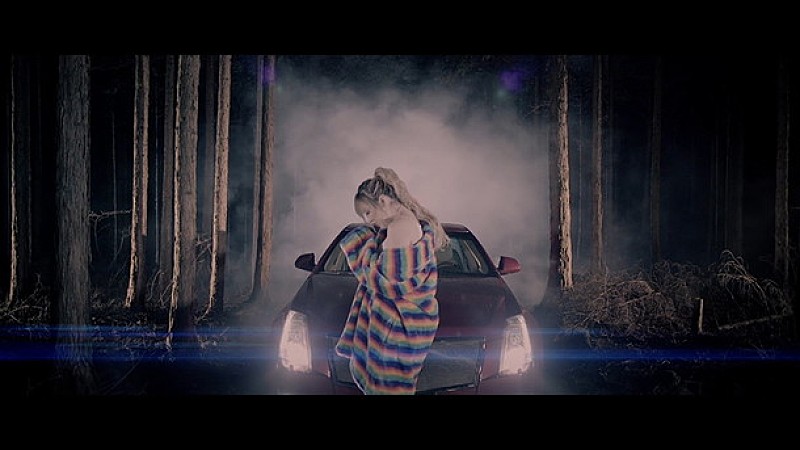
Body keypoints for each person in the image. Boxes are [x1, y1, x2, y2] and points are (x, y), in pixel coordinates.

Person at [334, 167, 449, 395]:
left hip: (395, 326)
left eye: (368, 212)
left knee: (387, 387)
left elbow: (387, 284)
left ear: (383, 201)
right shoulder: (405, 222)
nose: (368, 221)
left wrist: (359, 248)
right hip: (405, 322)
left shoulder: (399, 228)